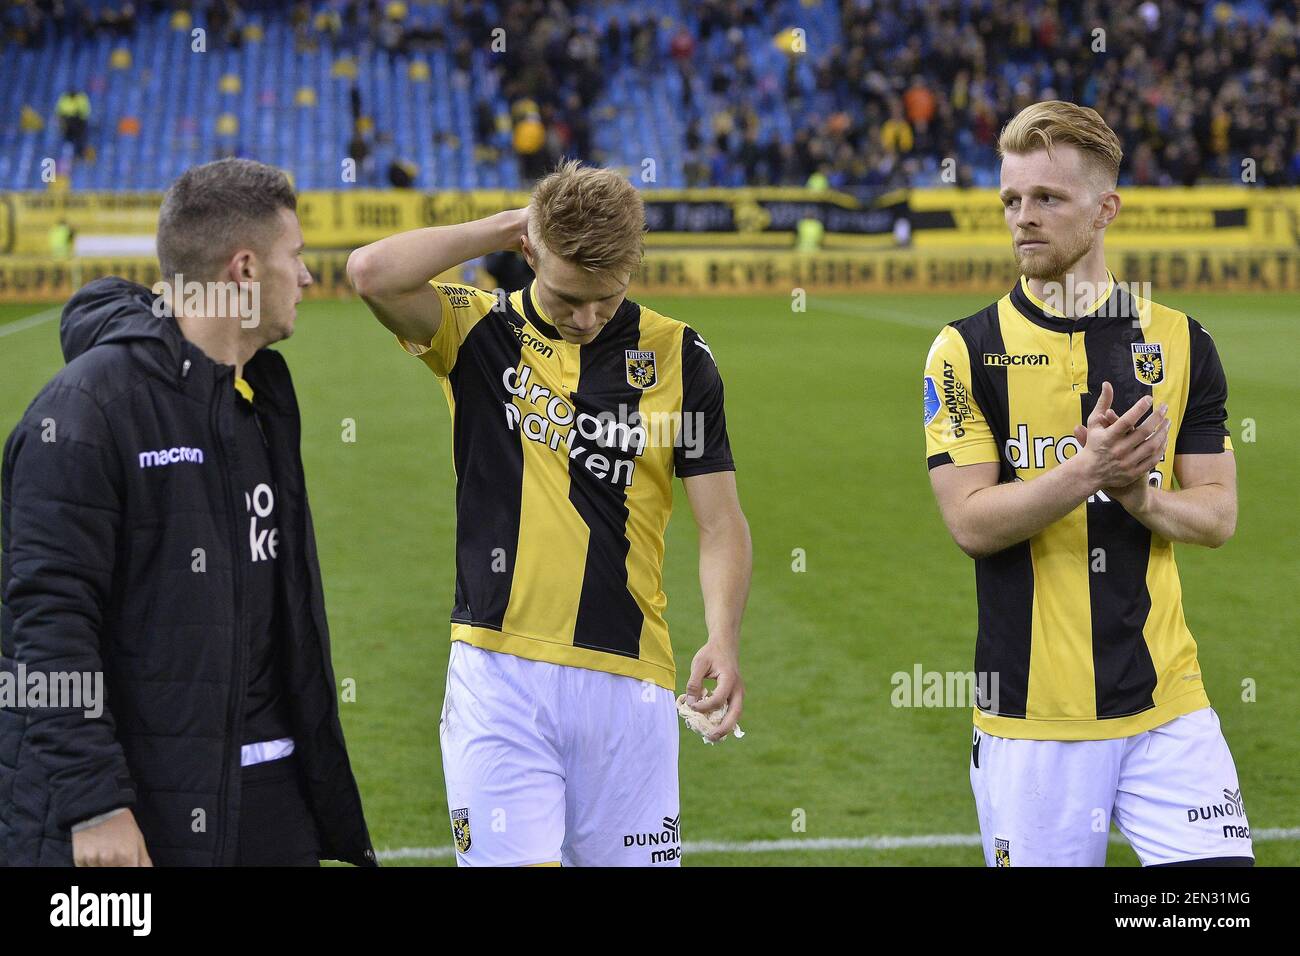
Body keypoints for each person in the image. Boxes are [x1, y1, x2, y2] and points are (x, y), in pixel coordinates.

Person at [348, 159, 751, 867]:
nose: (588, 317)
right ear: (531, 253)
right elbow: (371, 273)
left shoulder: (682, 358)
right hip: (497, 678)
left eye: (607, 296)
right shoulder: (477, 331)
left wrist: (722, 634)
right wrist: (508, 225)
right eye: (568, 297)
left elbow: (719, 523)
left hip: (631, 683)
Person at [0, 158, 375, 867]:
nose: (306, 277)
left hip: (273, 797)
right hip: (147, 808)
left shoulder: (257, 398)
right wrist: (96, 805)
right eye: (293, 257)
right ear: (242, 270)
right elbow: (45, 628)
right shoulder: (86, 412)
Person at [923, 101, 1251, 867]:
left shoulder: (1178, 340)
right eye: (1011, 199)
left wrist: (1143, 498)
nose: (1023, 218)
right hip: (1033, 721)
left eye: (1047, 199)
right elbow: (970, 522)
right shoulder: (964, 351)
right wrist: (1089, 472)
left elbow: (1218, 515)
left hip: (1169, 707)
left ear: (1106, 209)